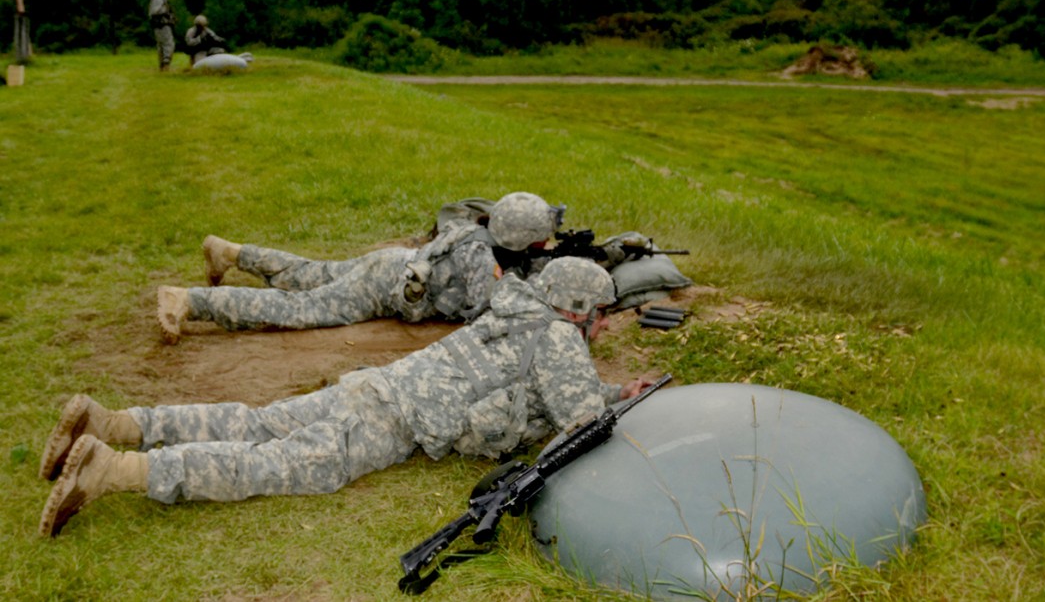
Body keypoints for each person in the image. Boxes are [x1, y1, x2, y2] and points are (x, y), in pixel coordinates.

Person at [39, 258, 659, 537]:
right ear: (578, 310)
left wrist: (613, 390)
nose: (603, 328)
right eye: (601, 316)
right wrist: (625, 410)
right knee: (277, 465)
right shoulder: (560, 339)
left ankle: (117, 422)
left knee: (256, 424)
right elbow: (581, 427)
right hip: (393, 419)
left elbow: (554, 391)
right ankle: (115, 469)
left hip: (377, 384)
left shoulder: (517, 309)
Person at [156, 191, 565, 344]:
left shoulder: (473, 232)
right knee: (298, 309)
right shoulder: (481, 259)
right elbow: (488, 314)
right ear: (519, 237)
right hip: (385, 288)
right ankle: (190, 301)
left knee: (309, 274)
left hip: (390, 265)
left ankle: (231, 252)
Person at [147, 0, 177, 72]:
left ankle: (162, 66)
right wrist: (167, 15)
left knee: (161, 46)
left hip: (159, 25)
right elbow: (154, 12)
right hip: (162, 25)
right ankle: (165, 65)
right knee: (168, 44)